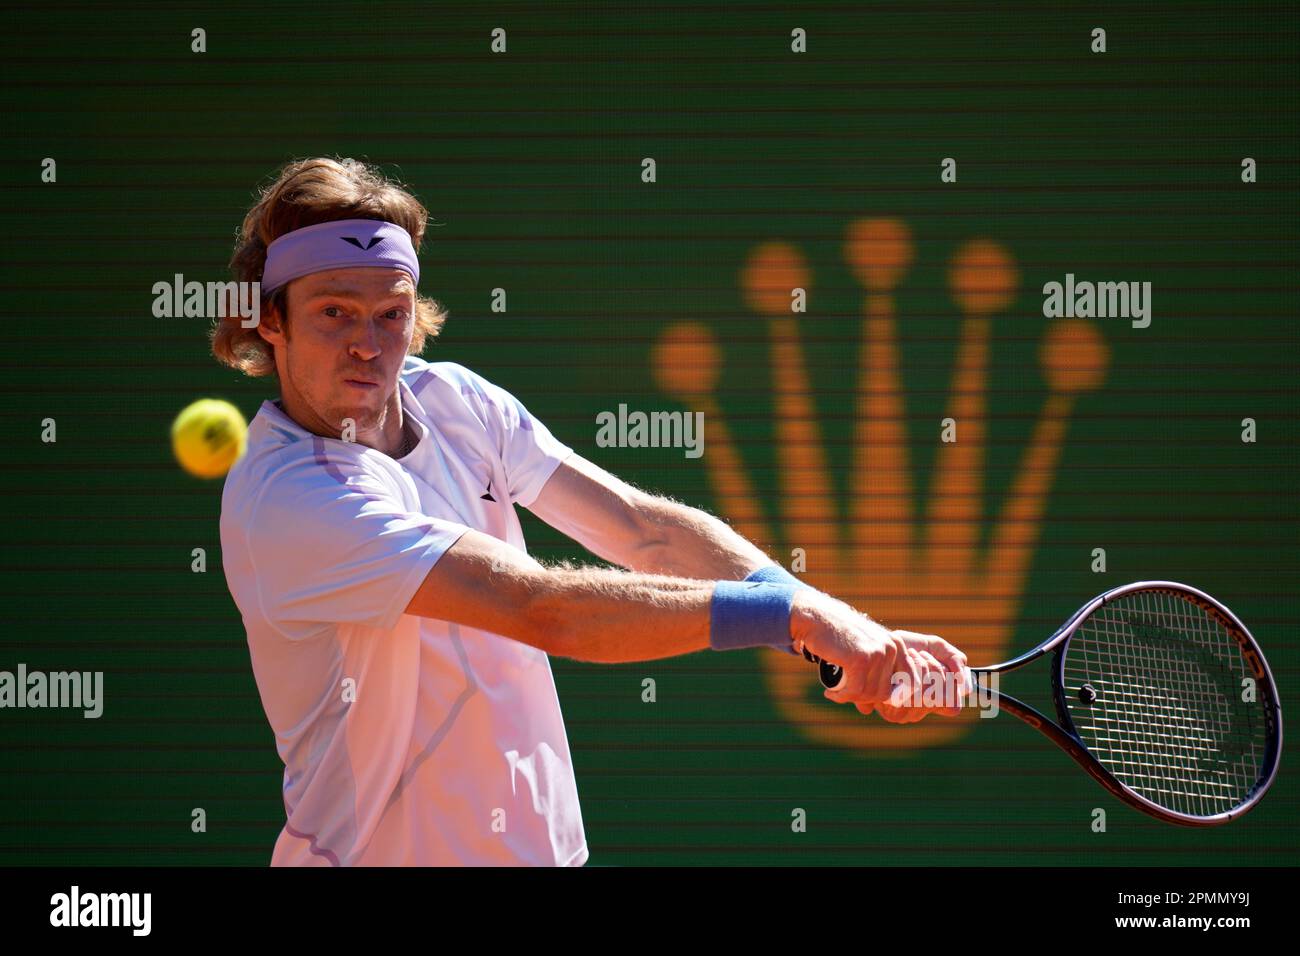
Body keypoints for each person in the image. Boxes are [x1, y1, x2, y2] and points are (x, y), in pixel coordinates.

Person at [213, 157, 970, 867]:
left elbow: (645, 529)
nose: (368, 345)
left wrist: (823, 614)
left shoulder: (456, 400)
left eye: (391, 314)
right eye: (334, 313)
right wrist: (795, 620)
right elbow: (544, 609)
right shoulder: (292, 499)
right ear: (269, 322)